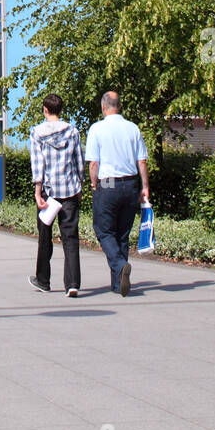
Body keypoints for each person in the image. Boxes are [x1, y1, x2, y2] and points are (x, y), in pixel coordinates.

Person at [85, 91, 150, 296]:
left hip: (108, 184)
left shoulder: (96, 129)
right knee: (122, 233)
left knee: (104, 231)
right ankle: (117, 283)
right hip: (130, 184)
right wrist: (145, 187)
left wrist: (94, 184)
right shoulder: (133, 128)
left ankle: (120, 264)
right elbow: (142, 161)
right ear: (119, 106)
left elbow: (94, 162)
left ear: (104, 107)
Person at [27, 94, 85, 297]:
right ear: (60, 110)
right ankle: (73, 283)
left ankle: (43, 280)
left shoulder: (36, 133)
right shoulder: (72, 131)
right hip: (69, 190)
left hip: (48, 193)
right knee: (70, 237)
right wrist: (80, 186)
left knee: (45, 236)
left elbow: (38, 164)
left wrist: (37, 190)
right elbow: (79, 161)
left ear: (45, 109)